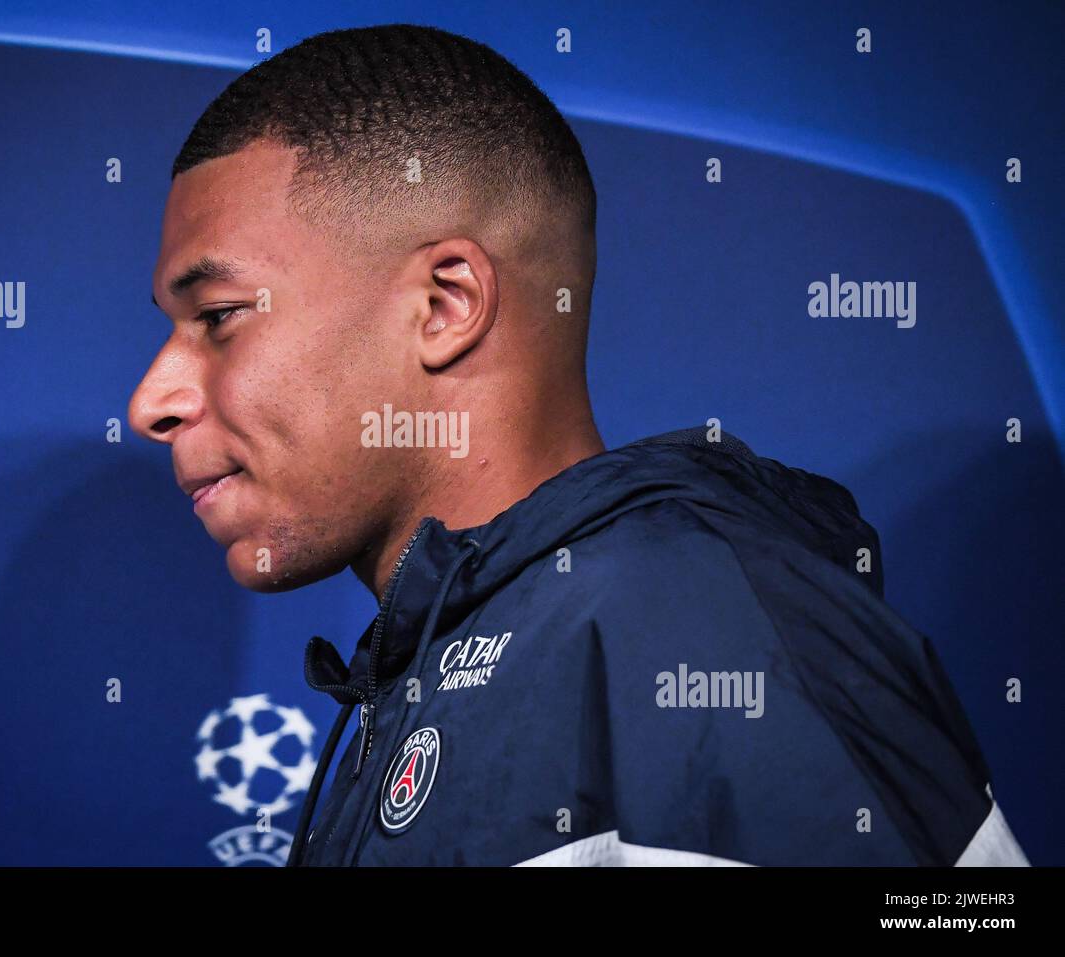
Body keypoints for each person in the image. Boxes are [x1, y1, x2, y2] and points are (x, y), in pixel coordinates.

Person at [127, 24, 1028, 866]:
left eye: (218, 316)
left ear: (443, 305)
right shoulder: (433, 657)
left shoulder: (699, 630)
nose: (150, 400)